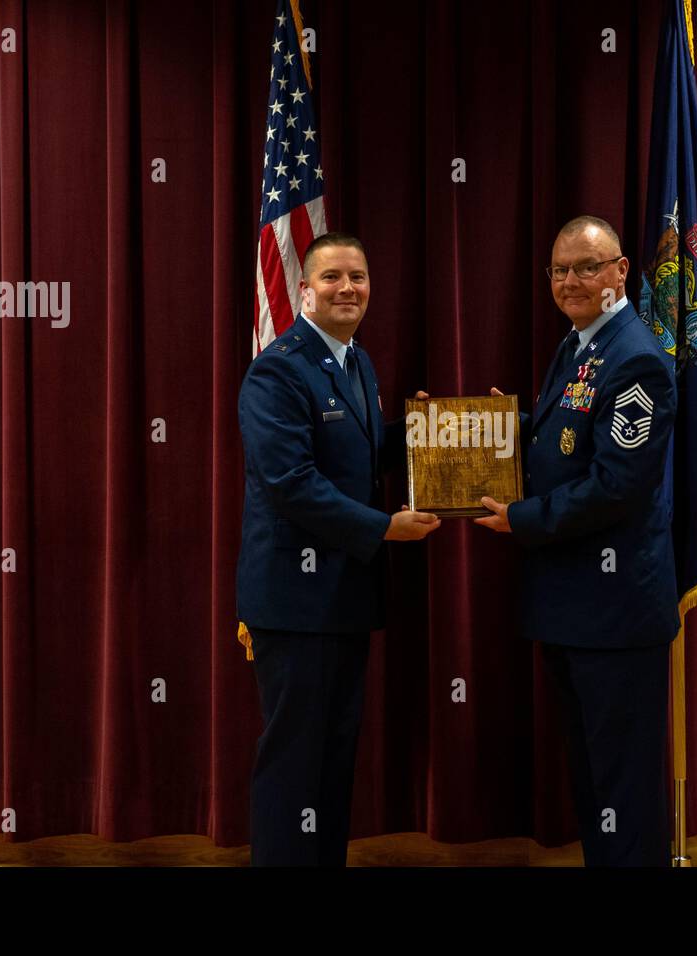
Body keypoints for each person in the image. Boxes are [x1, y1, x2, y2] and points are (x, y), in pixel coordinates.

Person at [475, 215, 679, 866]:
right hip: (571, 608)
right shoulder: (584, 344)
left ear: (622, 272)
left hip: (615, 614)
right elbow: (567, 434)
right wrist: (507, 425)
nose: (571, 281)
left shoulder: (638, 359)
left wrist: (523, 518)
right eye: (560, 270)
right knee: (595, 785)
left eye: (588, 267)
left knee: (625, 786)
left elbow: (616, 485)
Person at [235, 232, 440, 866]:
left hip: (343, 598)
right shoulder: (278, 369)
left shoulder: (354, 360)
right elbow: (291, 482)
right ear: (304, 289)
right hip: (296, 604)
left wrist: (428, 431)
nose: (347, 288)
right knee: (296, 761)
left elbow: (359, 449)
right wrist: (383, 528)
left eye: (358, 276)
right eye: (332, 277)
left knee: (331, 759)